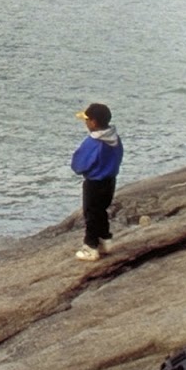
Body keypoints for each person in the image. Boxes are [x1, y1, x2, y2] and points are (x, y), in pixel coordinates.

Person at [70, 102, 123, 262]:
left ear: (93, 122)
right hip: (110, 180)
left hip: (94, 182)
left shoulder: (93, 142)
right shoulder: (115, 138)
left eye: (86, 120)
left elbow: (79, 164)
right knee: (101, 211)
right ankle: (105, 240)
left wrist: (83, 169)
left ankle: (90, 247)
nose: (85, 123)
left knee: (91, 213)